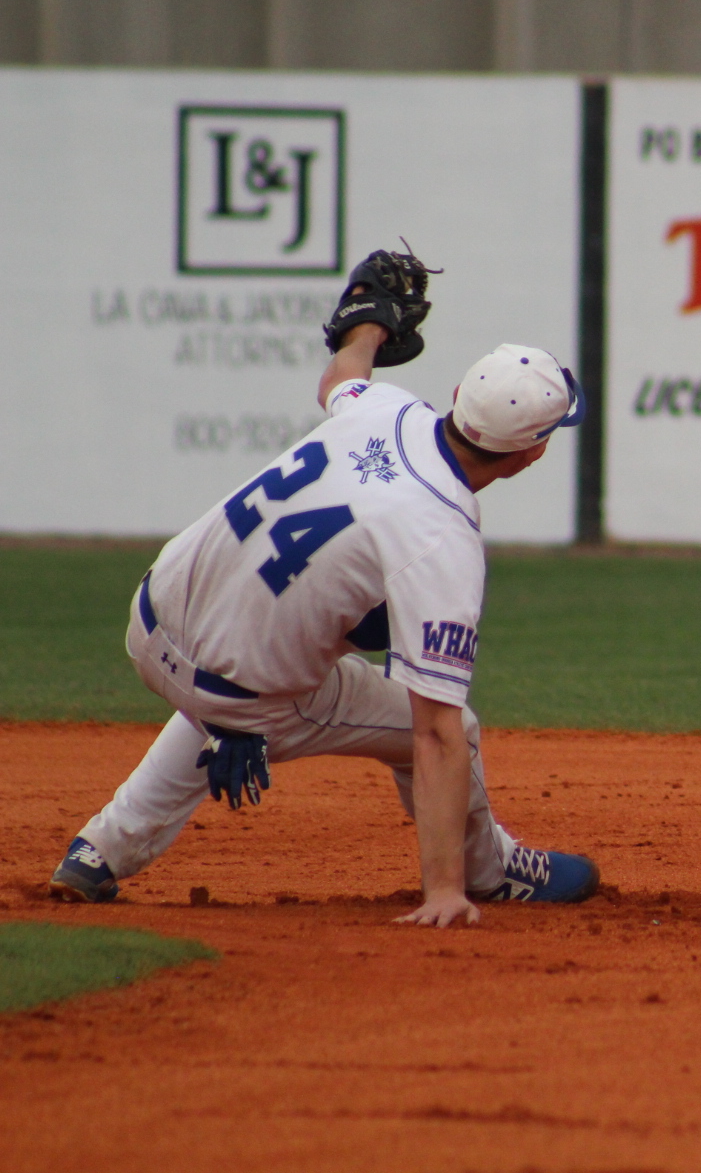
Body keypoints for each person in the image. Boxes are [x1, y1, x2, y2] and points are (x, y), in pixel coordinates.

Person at [50, 250, 599, 926]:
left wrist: (365, 326)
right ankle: (488, 874)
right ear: (533, 451)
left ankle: (99, 849)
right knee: (456, 724)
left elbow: (340, 376)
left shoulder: (385, 409)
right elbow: (434, 734)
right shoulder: (444, 539)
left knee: (354, 623)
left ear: (459, 397)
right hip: (236, 690)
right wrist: (442, 891)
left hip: (151, 617)